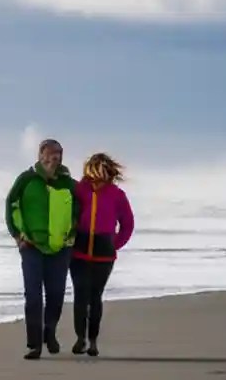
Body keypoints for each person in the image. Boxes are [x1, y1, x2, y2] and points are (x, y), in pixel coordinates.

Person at [5, 138, 78, 360]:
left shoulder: (69, 184)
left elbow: (79, 211)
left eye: (58, 154)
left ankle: (50, 332)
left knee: (56, 295)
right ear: (40, 155)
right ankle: (34, 345)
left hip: (60, 249)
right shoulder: (26, 179)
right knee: (33, 297)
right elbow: (10, 205)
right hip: (32, 247)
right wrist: (17, 236)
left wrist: (73, 233)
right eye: (49, 154)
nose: (54, 158)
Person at [69, 152, 133, 357]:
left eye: (102, 170)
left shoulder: (117, 194)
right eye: (95, 169)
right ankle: (81, 338)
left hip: (104, 253)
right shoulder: (79, 189)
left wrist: (115, 244)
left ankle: (93, 340)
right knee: (80, 295)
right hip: (79, 249)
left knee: (95, 296)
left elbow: (128, 224)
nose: (98, 175)